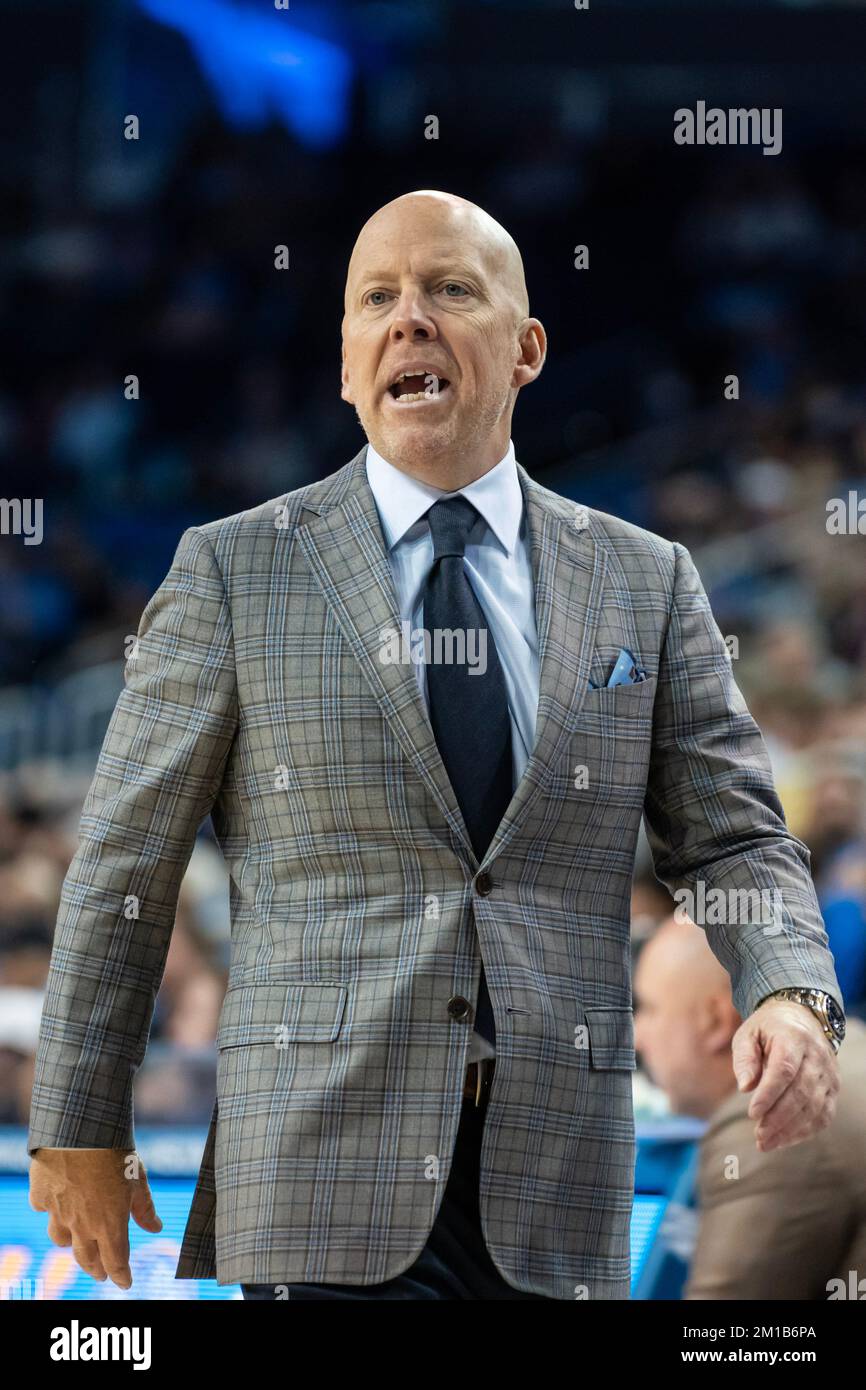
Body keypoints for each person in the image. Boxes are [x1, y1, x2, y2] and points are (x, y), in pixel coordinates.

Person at [28, 190, 844, 1301]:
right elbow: (125, 863)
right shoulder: (234, 571)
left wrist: (789, 989)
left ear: (525, 348)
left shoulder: (645, 580)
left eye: (449, 290)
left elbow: (736, 838)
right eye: (377, 299)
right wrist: (76, 1120)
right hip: (317, 1176)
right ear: (347, 365)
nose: (408, 319)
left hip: (557, 1184)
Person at [634, 915, 864, 1299]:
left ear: (715, 1020)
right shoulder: (845, 1046)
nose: (637, 1037)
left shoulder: (770, 1115)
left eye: (648, 1009)